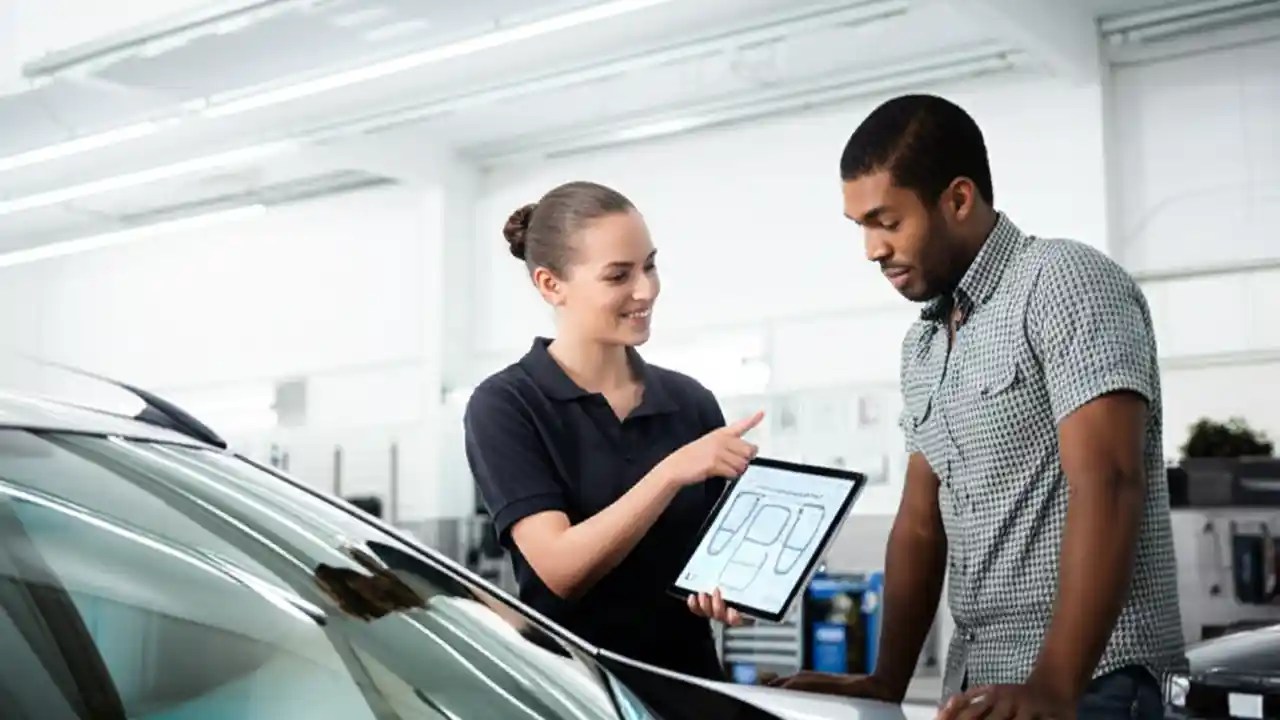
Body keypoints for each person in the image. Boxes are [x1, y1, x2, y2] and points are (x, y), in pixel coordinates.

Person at [772, 95, 1185, 719]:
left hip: (1094, 683)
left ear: (958, 200)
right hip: (977, 683)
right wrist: (885, 682)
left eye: (886, 221)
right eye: (859, 226)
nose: (871, 249)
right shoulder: (924, 343)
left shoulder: (1064, 280)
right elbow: (918, 522)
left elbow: (1111, 480)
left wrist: (1055, 684)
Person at [463, 180, 764, 679]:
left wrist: (739, 599)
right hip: (576, 694)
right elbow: (560, 570)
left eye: (649, 265)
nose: (645, 289)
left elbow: (722, 565)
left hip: (688, 690)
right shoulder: (506, 405)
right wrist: (670, 473)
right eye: (618, 275)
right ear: (549, 284)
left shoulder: (689, 402)